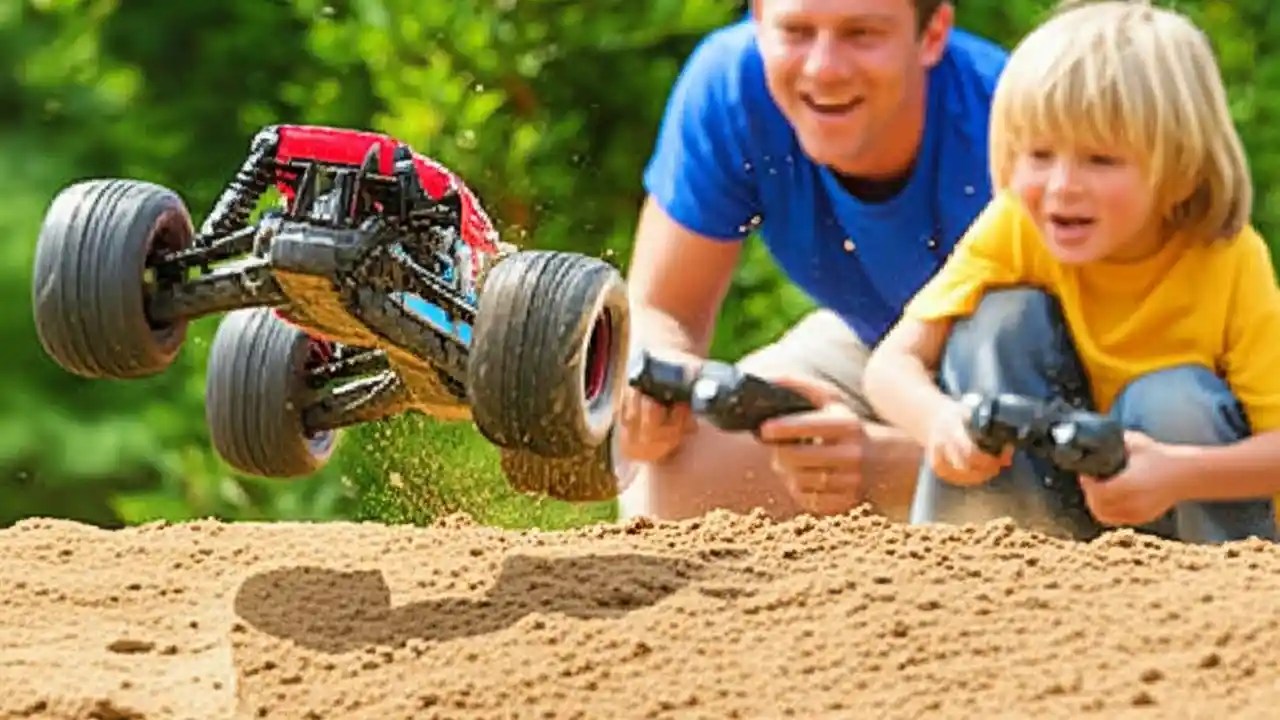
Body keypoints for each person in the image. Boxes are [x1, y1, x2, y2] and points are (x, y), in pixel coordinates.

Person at [858, 0, 1280, 544]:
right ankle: (971, 556)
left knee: (1173, 399)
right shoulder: (1019, 225)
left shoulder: (1228, 259)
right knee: (996, 321)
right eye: (1038, 154)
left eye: (1100, 160)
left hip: (1184, 521)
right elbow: (890, 366)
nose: (1061, 187)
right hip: (1053, 516)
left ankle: (1224, 596)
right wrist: (940, 422)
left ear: (1180, 169)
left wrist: (1179, 471)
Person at [614, 0, 1009, 522]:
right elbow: (662, 311)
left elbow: (1095, 419)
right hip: (869, 339)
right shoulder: (732, 87)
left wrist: (885, 464)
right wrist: (655, 387)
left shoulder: (1010, 123)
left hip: (1014, 375)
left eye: (861, 33)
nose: (823, 68)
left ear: (932, 34)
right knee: (674, 470)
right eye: (797, 30)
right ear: (758, 21)